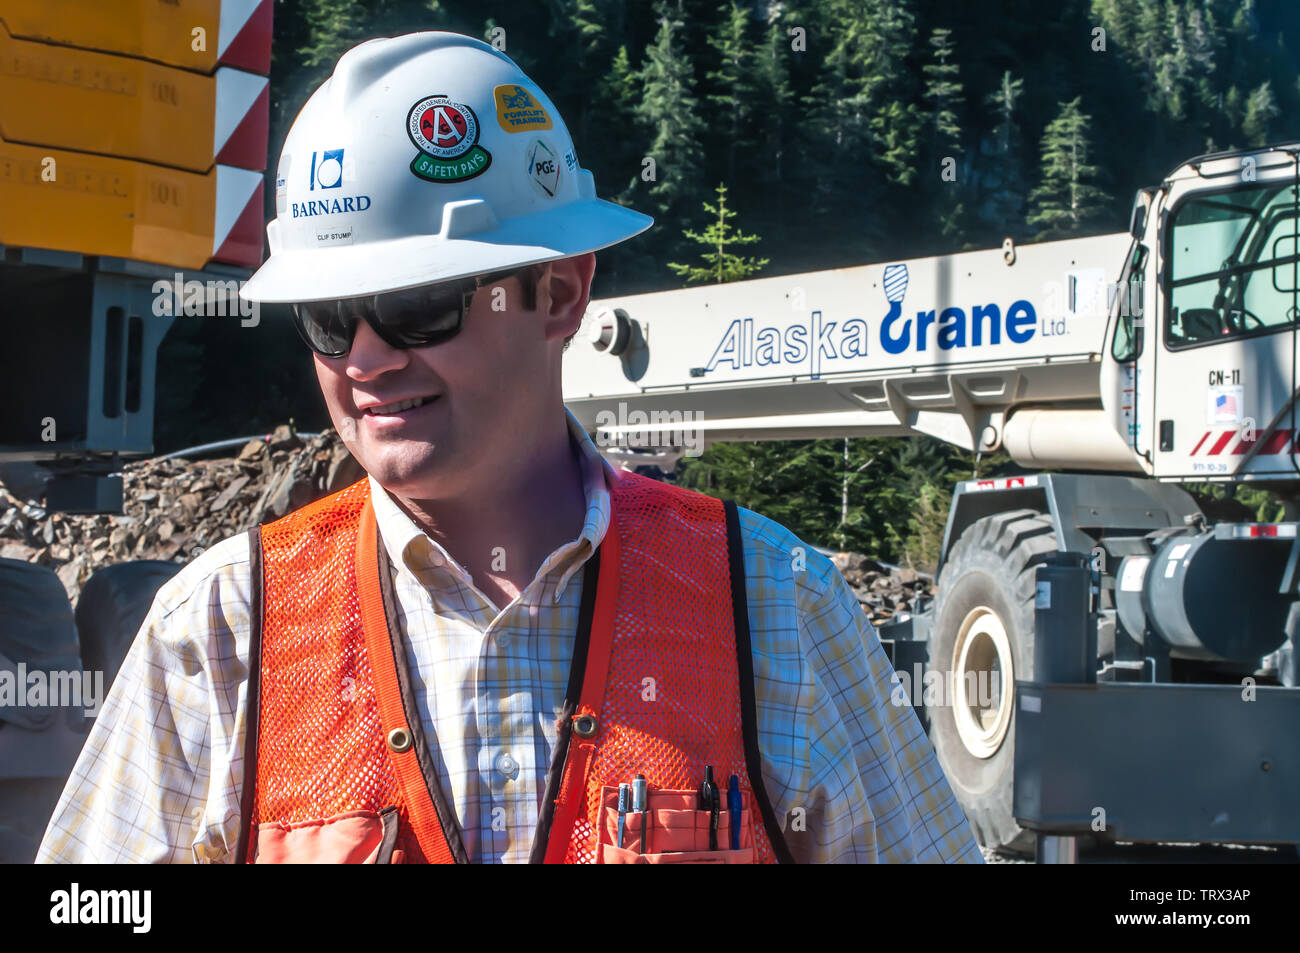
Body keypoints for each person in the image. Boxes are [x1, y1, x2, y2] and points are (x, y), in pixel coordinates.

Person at [37, 31, 982, 864]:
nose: (365, 356)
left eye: (417, 305)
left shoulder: (774, 608)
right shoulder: (222, 633)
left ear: (561, 295)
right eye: (329, 318)